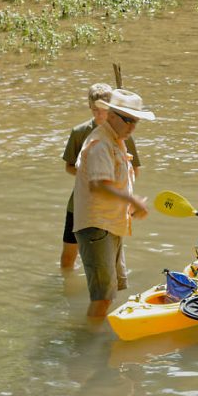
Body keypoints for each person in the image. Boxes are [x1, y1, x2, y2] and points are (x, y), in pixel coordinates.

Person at [72, 89, 155, 317]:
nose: (132, 127)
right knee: (103, 297)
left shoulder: (116, 140)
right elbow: (98, 185)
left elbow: (118, 181)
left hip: (111, 224)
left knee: (111, 293)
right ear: (111, 115)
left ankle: (97, 336)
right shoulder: (100, 143)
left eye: (135, 122)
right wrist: (132, 200)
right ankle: (90, 346)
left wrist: (130, 207)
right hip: (97, 226)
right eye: (128, 120)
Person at [61, 82, 139, 272]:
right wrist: (90, 173)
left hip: (111, 207)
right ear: (89, 107)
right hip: (80, 202)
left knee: (109, 261)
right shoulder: (80, 132)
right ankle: (67, 283)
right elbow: (69, 166)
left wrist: (126, 196)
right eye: (95, 109)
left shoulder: (123, 133)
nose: (99, 114)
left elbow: (134, 169)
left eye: (103, 109)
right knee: (68, 253)